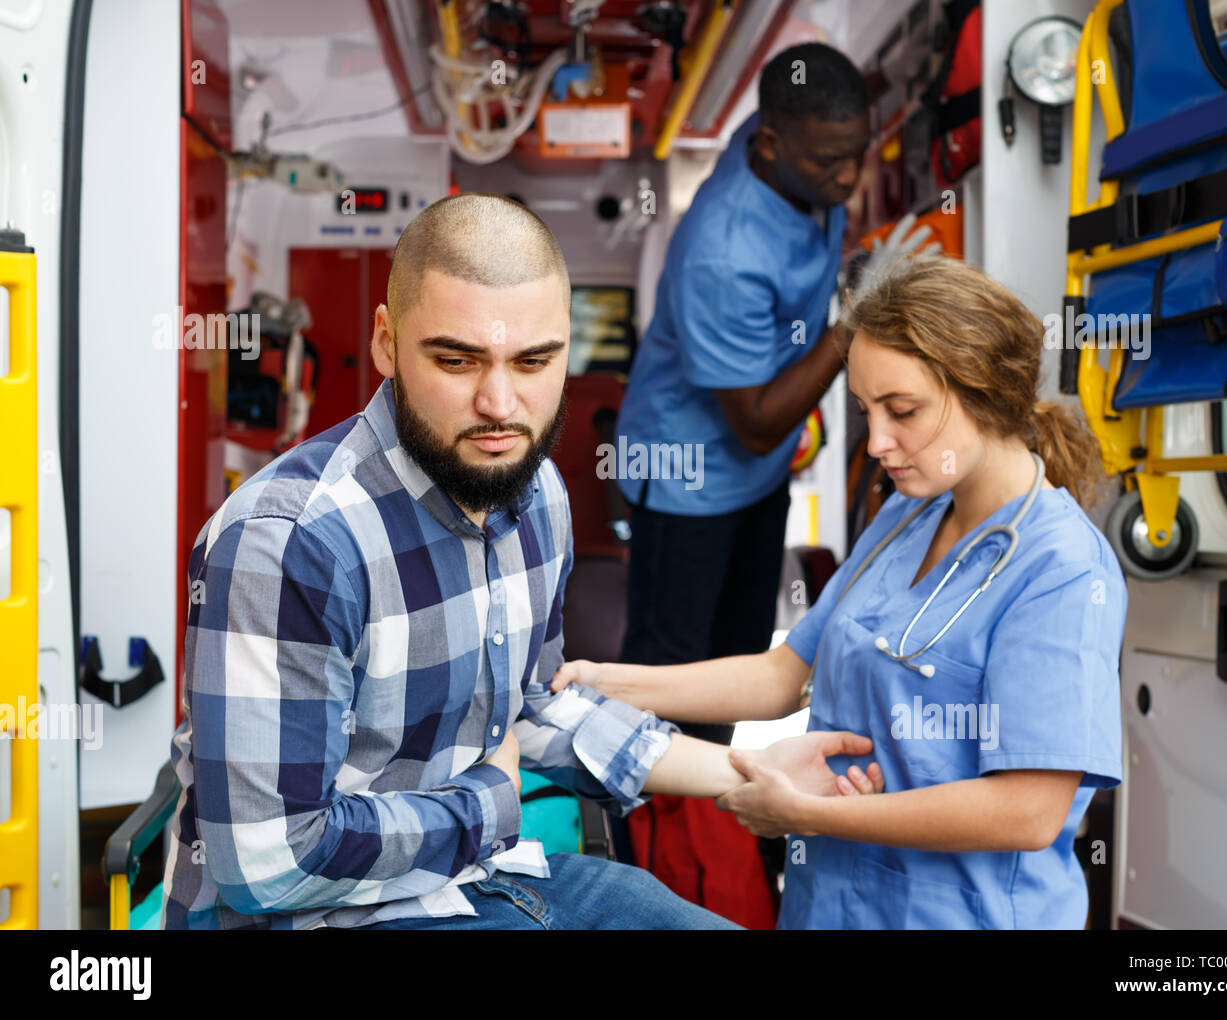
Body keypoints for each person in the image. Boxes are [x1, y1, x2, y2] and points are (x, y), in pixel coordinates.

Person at [161, 192, 874, 930]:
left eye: (534, 360)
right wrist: (486, 806)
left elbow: (532, 702)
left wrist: (748, 776)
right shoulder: (288, 542)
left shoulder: (539, 498)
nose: (500, 405)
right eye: (457, 359)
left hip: (475, 878)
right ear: (384, 342)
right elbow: (269, 865)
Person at [554, 254, 1126, 929]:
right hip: (833, 905)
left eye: (902, 411)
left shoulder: (1061, 569)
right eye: (864, 409)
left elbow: (1028, 812)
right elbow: (781, 676)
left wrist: (811, 814)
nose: (877, 441)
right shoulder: (907, 515)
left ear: (984, 392)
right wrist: (599, 682)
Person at [610, 41, 936, 922]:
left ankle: (710, 842)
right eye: (830, 161)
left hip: (753, 477)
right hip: (686, 477)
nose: (848, 176)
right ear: (766, 147)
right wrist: (852, 316)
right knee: (673, 673)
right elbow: (754, 416)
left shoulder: (805, 156)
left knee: (744, 652)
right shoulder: (725, 244)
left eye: (857, 153)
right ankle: (651, 864)